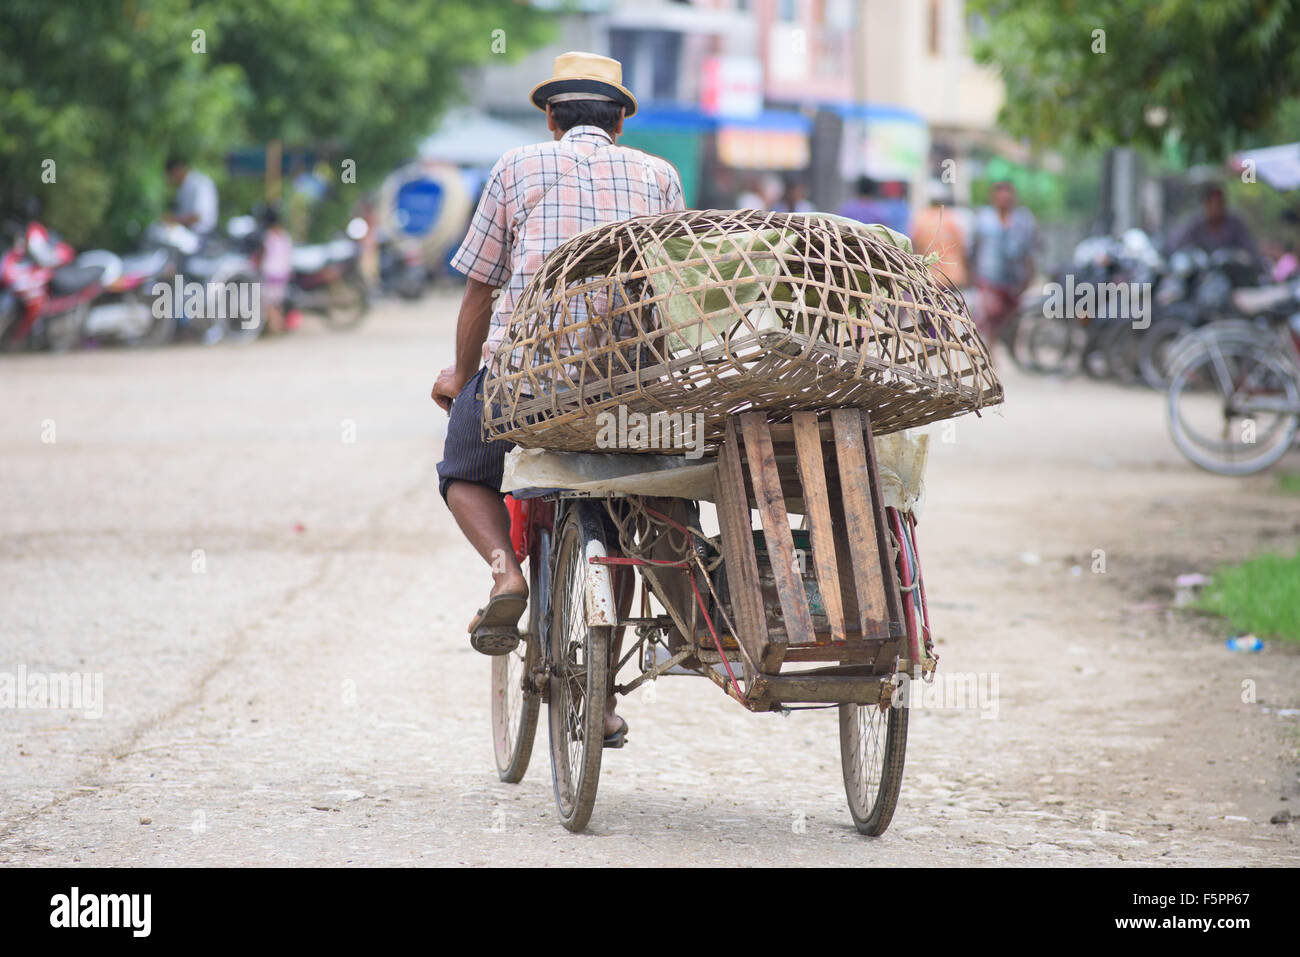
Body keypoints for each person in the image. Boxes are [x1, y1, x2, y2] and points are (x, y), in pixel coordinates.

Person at [431, 52, 685, 737]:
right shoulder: (660, 175)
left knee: (461, 472)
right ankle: (601, 699)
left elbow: (481, 287)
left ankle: (504, 572)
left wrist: (461, 380)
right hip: (624, 385)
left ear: (550, 117)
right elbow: (668, 291)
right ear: (620, 123)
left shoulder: (515, 167)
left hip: (527, 377)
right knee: (623, 513)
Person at [971, 181, 1037, 348]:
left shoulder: (1023, 221)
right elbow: (975, 247)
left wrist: (1030, 275)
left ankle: (1004, 346)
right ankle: (990, 351)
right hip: (989, 276)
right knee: (990, 314)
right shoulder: (984, 219)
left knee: (1010, 316)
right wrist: (971, 273)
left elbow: (1029, 250)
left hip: (1014, 278)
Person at [1168, 184, 1259, 265]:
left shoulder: (1235, 223)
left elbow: (1251, 249)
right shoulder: (1196, 223)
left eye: (1219, 203)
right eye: (1212, 203)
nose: (1216, 208)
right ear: (1206, 204)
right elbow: (1177, 242)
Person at [909, 184, 968, 287]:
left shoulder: (920, 219)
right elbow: (962, 247)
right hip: (952, 277)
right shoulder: (953, 218)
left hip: (929, 277)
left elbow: (914, 246)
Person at [256, 207, 294, 335]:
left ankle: (276, 327)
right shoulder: (285, 236)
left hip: (270, 275)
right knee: (276, 303)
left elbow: (263, 256)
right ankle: (279, 325)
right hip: (283, 275)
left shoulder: (268, 236)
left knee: (269, 304)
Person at [163, 156, 219, 238]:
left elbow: (197, 217)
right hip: (188, 233)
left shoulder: (200, 184)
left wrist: (173, 220)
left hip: (202, 235)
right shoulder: (182, 187)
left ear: (177, 170)